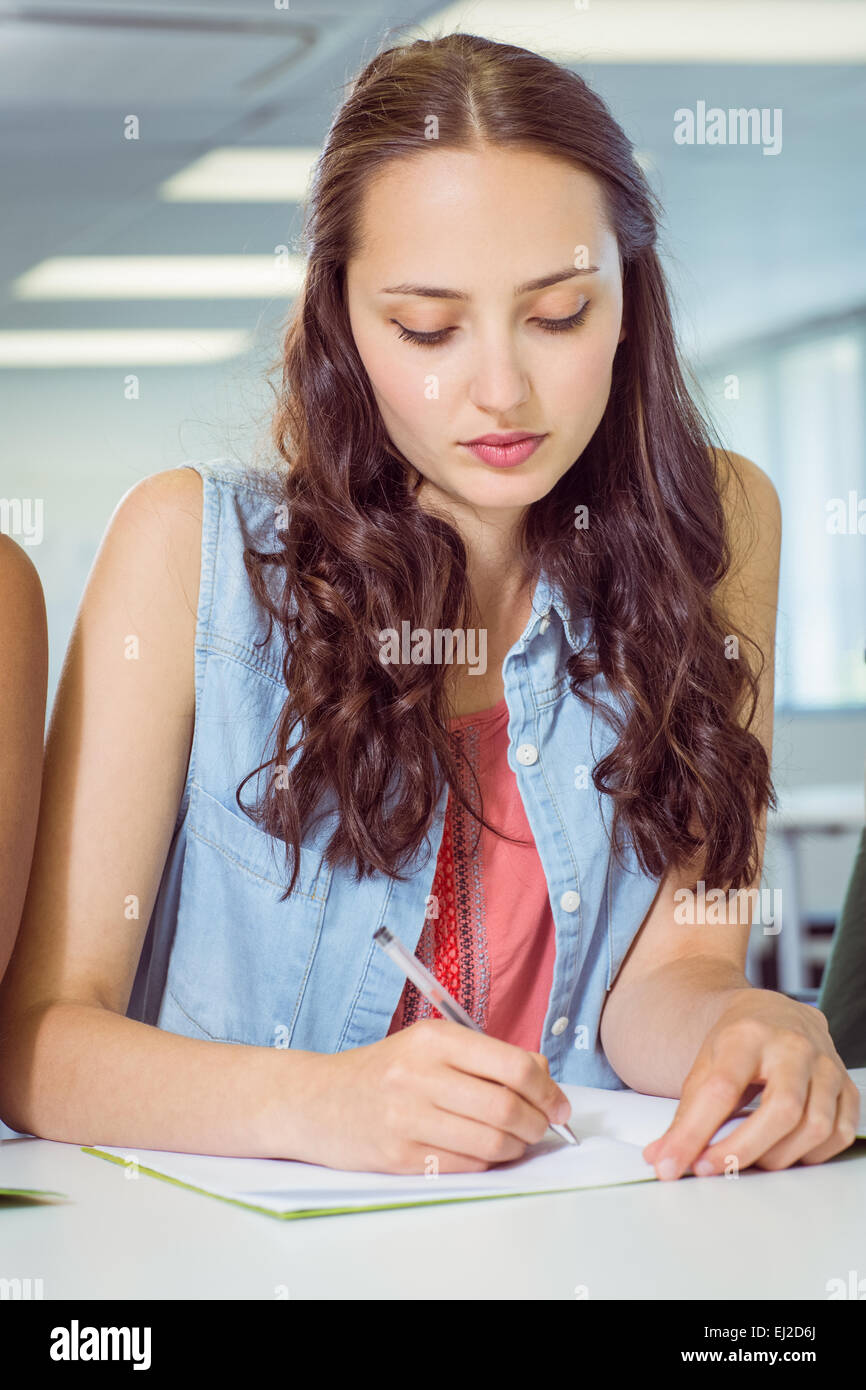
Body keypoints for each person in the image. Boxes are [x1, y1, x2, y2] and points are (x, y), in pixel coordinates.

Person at [0, 32, 858, 1180]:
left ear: (627, 298)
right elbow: (38, 1042)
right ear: (341, 320)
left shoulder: (717, 528)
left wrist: (753, 1028)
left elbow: (663, 983)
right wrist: (314, 1105)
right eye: (425, 328)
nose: (499, 390)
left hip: (578, 1252)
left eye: (556, 314)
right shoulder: (187, 551)